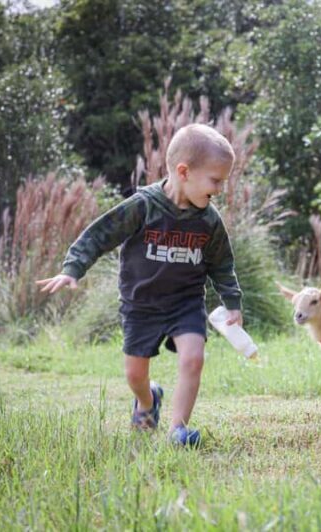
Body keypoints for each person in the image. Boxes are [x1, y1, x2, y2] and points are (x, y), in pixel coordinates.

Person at [36, 124, 243, 447]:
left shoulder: (208, 220)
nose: (219, 189)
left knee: (193, 358)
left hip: (185, 302)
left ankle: (178, 429)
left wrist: (232, 301)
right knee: (135, 374)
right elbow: (99, 234)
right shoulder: (143, 206)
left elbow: (222, 263)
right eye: (215, 181)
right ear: (184, 171)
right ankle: (148, 401)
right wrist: (73, 268)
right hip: (140, 305)